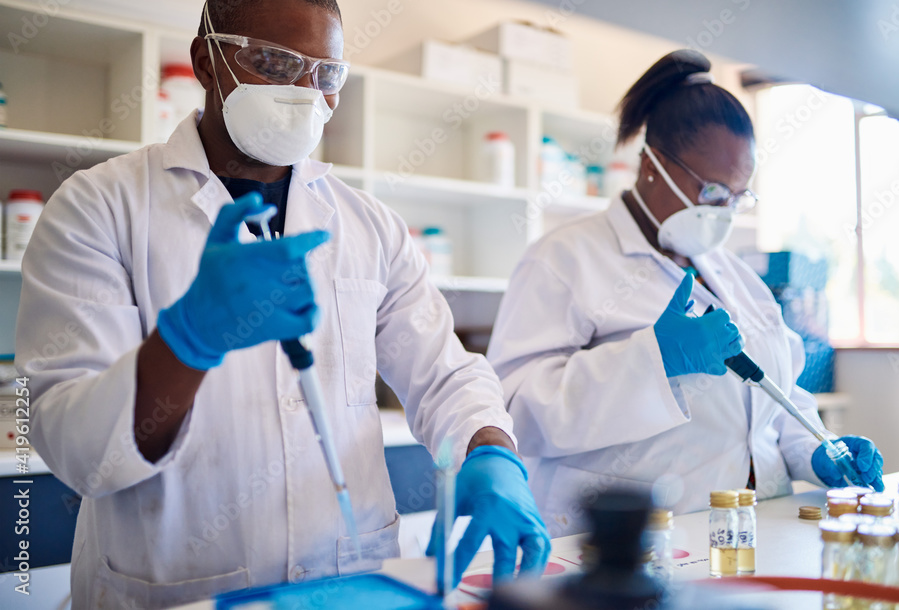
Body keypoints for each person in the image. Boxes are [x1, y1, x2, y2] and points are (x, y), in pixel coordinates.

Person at [16, 1, 548, 607]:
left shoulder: (369, 225)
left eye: (325, 75)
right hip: (171, 589)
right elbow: (73, 446)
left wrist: (491, 452)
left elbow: (444, 373)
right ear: (206, 61)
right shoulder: (98, 207)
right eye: (274, 62)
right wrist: (188, 341)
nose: (304, 92)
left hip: (348, 581)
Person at [486, 50, 884, 538]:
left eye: (737, 196)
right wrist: (653, 358)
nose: (725, 211)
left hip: (750, 526)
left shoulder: (733, 273)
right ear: (651, 165)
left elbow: (775, 394)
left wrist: (819, 452)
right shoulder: (564, 258)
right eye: (713, 191)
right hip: (627, 538)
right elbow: (516, 409)